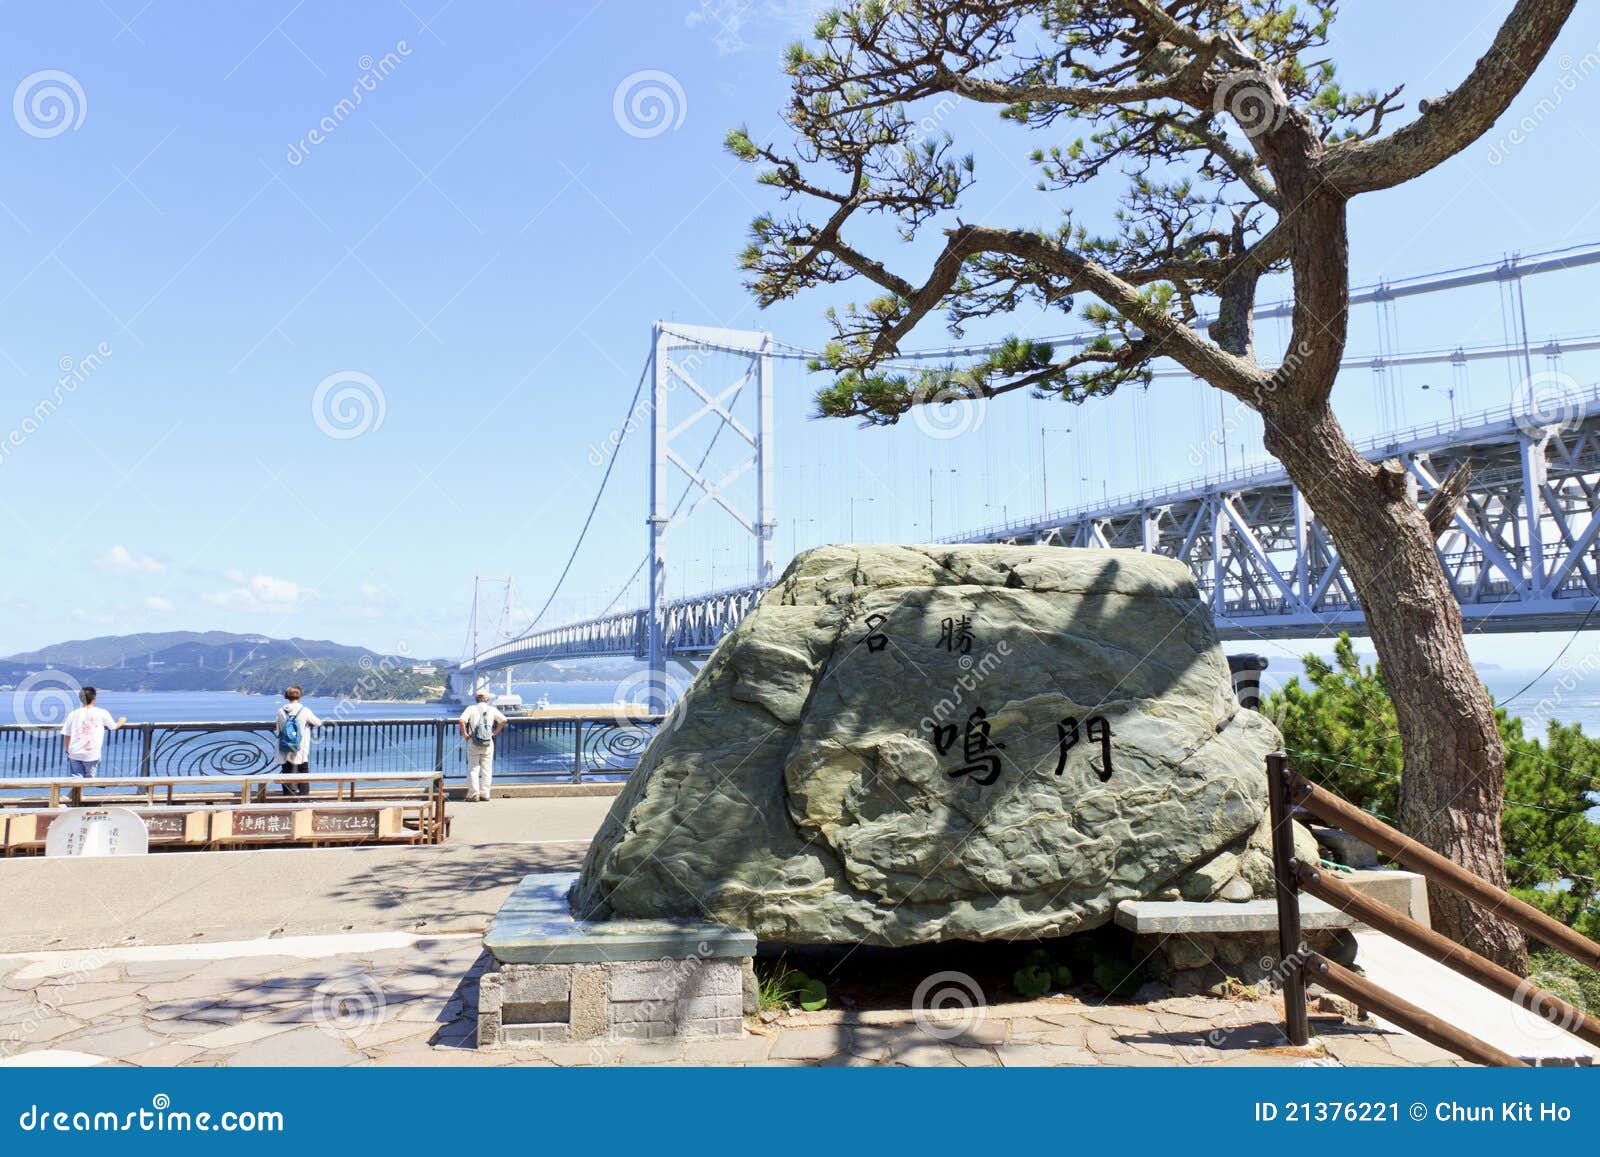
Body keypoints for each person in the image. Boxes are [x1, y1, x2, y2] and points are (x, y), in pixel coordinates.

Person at [59, 686, 126, 779]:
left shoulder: (73, 714)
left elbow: (67, 735)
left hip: (74, 752)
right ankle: (77, 790)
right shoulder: (102, 712)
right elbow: (113, 726)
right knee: (89, 779)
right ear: (94, 698)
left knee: (76, 779)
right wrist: (121, 721)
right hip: (91, 754)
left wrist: (68, 750)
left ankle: (74, 789)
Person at [273, 685, 324, 798]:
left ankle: (287, 794)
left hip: (285, 744)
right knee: (303, 769)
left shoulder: (281, 711)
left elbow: (278, 728)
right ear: (300, 696)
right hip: (300, 745)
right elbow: (318, 722)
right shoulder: (305, 710)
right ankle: (304, 795)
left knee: (286, 769)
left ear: (286, 696)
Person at [458, 690, 506, 802]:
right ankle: (485, 794)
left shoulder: (471, 708)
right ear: (487, 699)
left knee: (473, 768)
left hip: (473, 741)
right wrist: (494, 733)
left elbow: (461, 721)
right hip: (488, 742)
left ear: (476, 699)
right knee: (487, 769)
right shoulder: (492, 709)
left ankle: (474, 794)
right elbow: (504, 720)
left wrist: (465, 735)